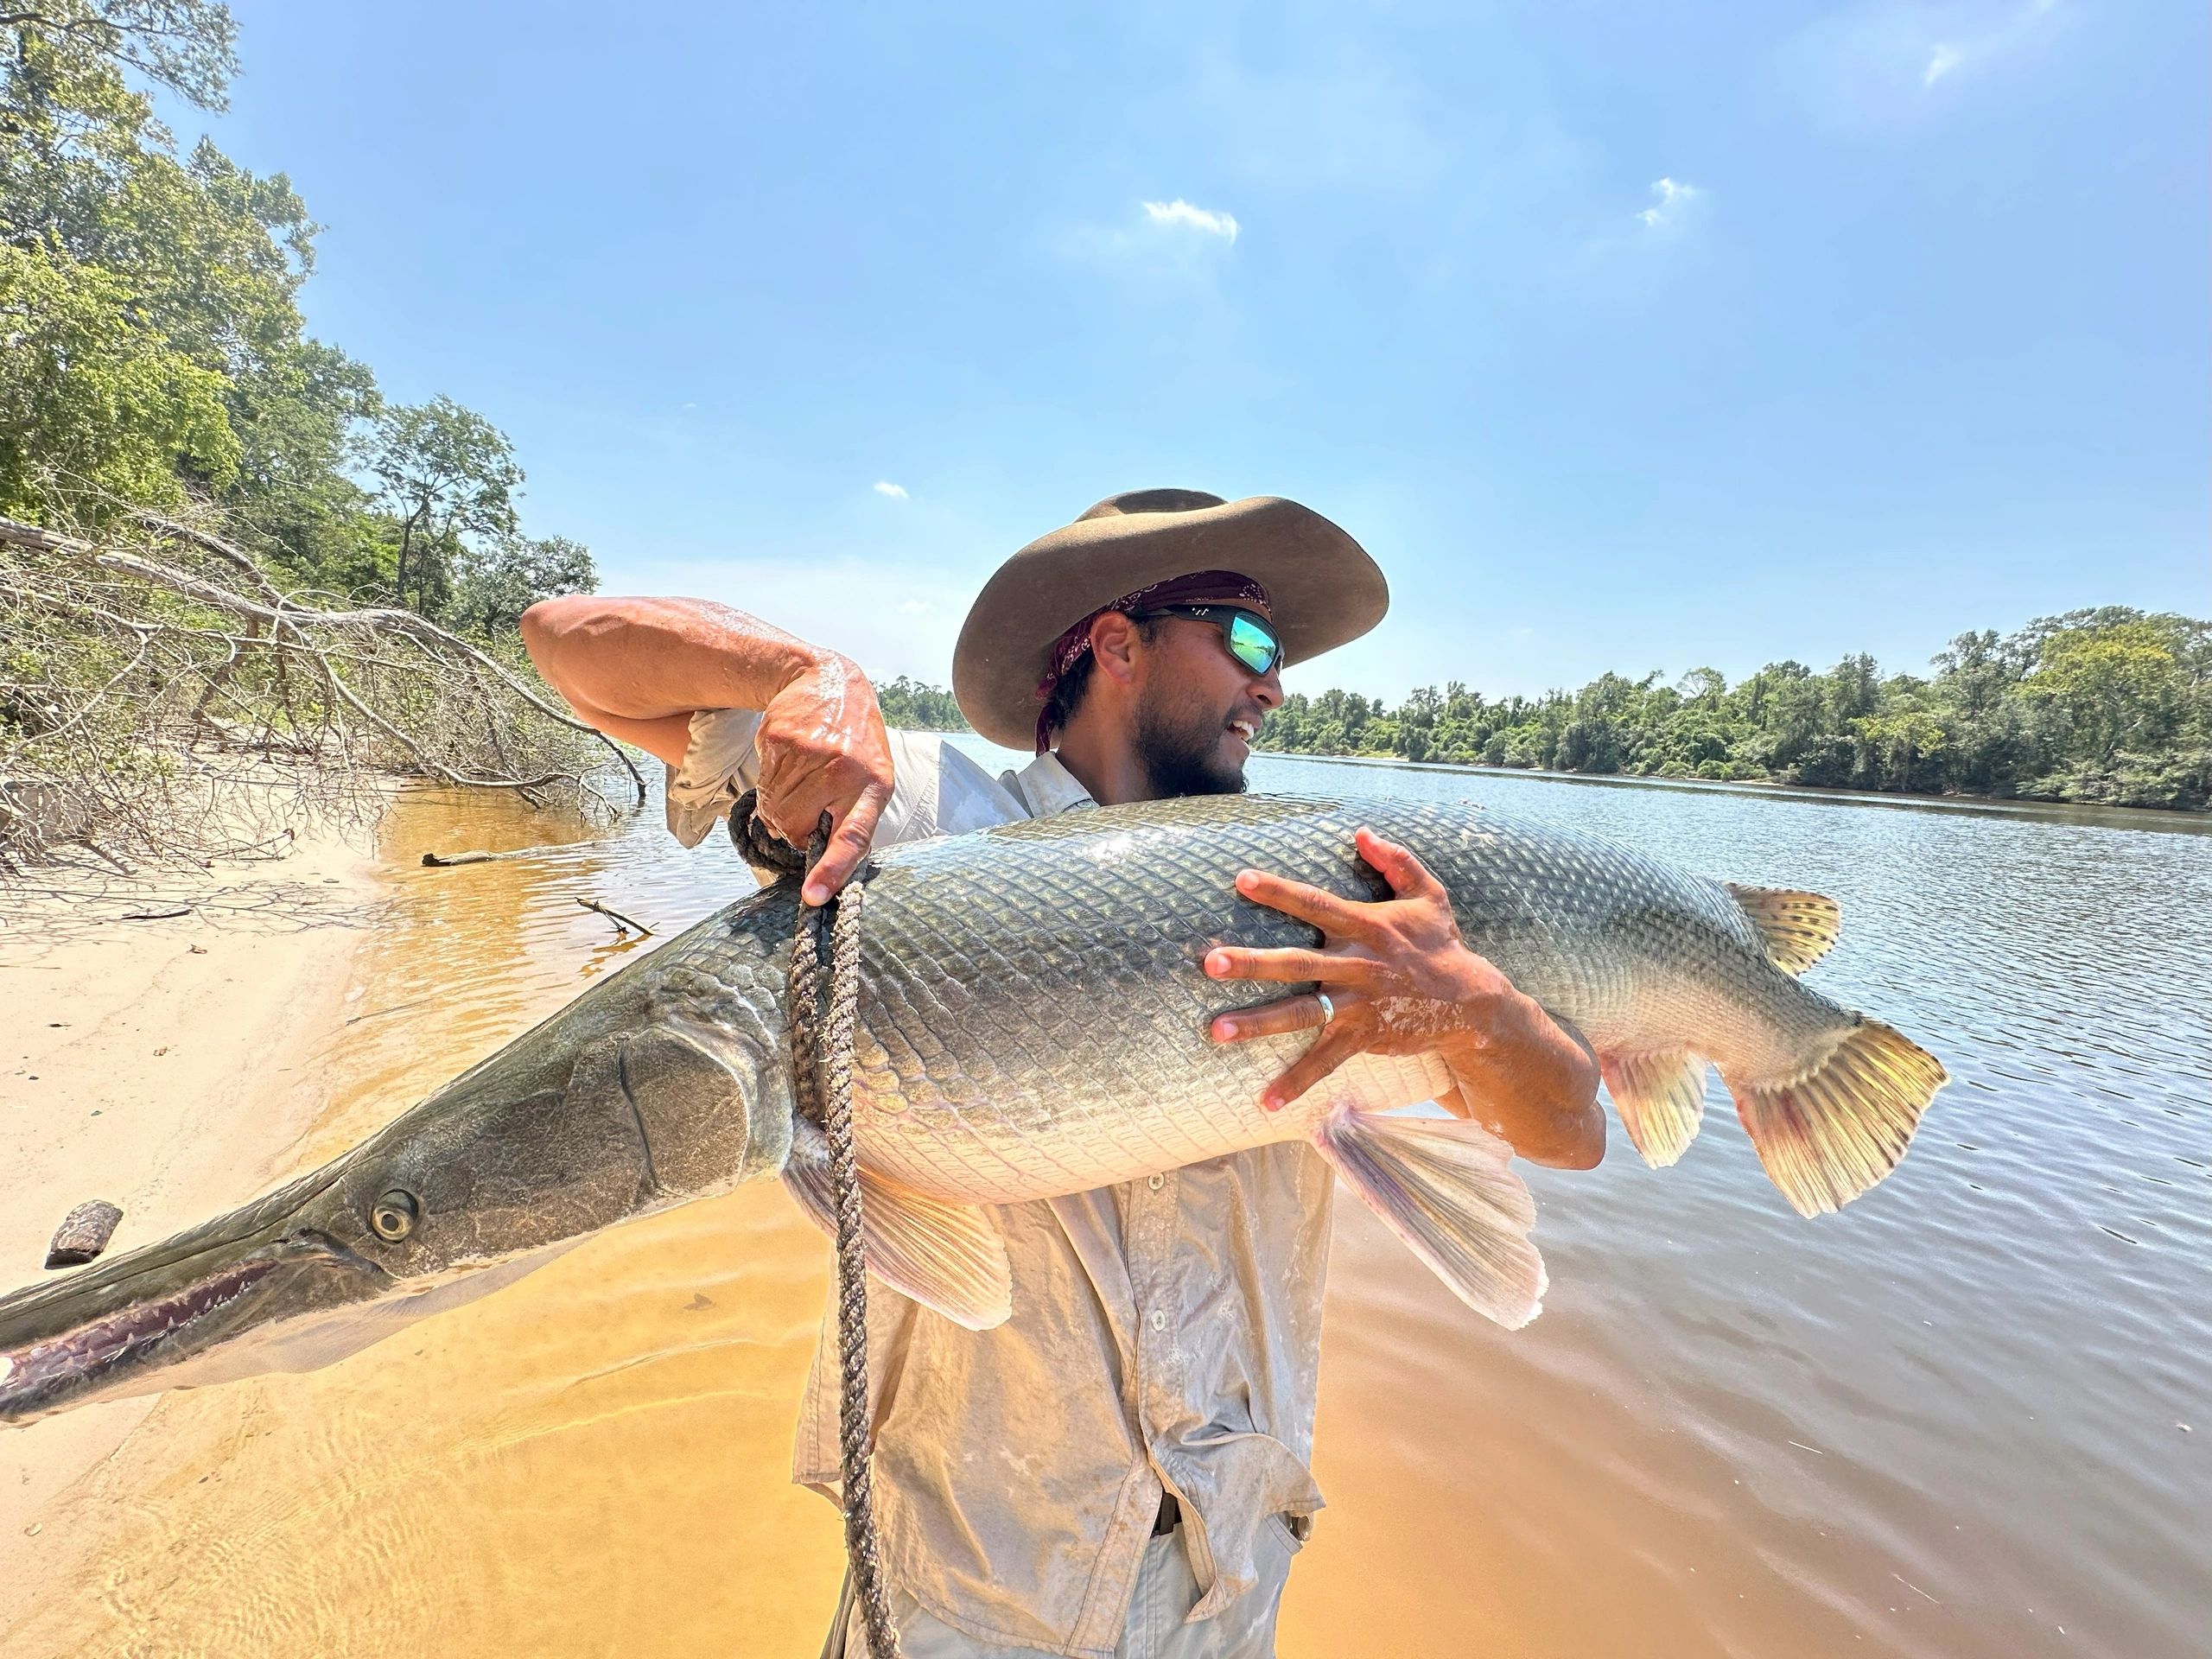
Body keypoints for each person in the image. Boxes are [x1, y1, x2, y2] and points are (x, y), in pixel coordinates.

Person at [521, 488, 1604, 1658]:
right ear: (1117, 643)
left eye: (1277, 656)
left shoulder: (1353, 899)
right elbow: (564, 642)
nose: (1272, 686)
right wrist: (799, 672)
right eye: (1244, 641)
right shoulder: (914, 822)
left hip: (1230, 1579)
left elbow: (1570, 1134)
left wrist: (1482, 1015)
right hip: (967, 1586)